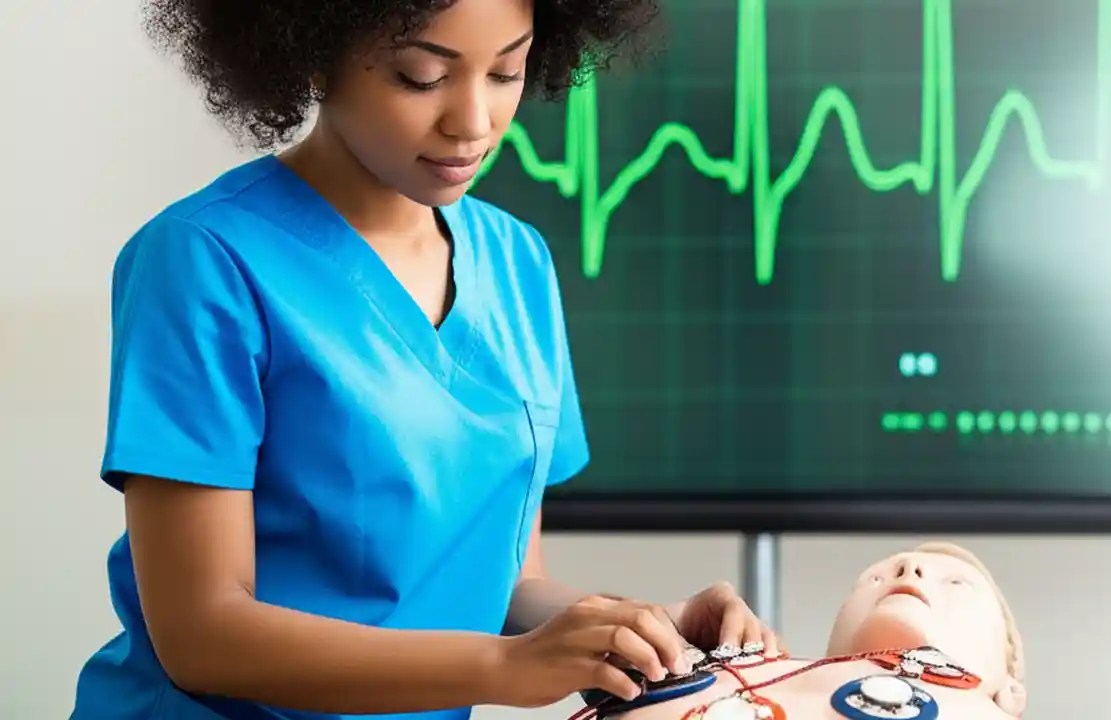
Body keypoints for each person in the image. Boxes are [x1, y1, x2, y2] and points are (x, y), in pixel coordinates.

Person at [71, 1, 779, 718]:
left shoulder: (518, 262)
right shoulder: (201, 262)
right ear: (312, 53)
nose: (474, 121)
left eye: (507, 69)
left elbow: (505, 588)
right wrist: (502, 668)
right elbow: (202, 636)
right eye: (420, 76)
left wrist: (639, 628)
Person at [592, 543, 1026, 720]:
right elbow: (576, 627)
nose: (908, 569)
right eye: (871, 581)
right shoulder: (707, 664)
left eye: (955, 583)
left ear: (1012, 693)